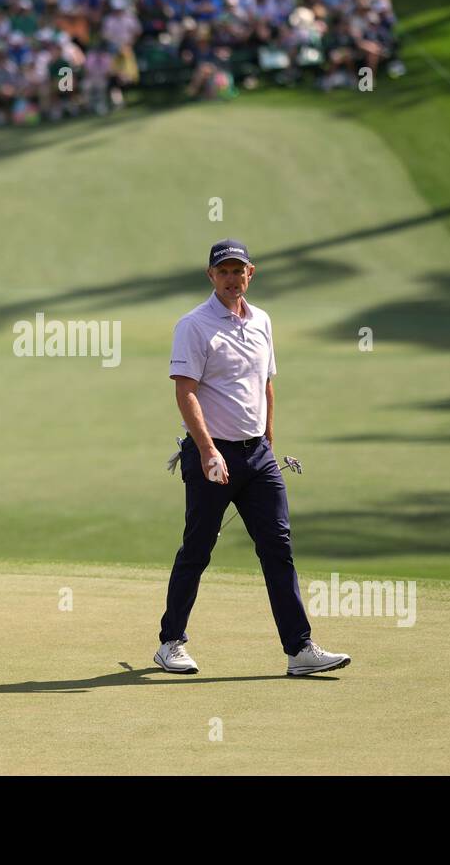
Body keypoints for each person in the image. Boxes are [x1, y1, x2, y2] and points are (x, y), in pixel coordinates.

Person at [156, 239, 352, 676]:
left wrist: (268, 444)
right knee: (198, 548)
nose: (231, 278)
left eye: (238, 270)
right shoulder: (194, 325)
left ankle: (299, 650)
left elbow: (265, 385)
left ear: (251, 273)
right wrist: (207, 450)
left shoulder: (262, 320)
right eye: (223, 271)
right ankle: (171, 642)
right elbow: (185, 391)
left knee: (278, 548)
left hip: (258, 456)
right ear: (211, 276)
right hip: (213, 454)